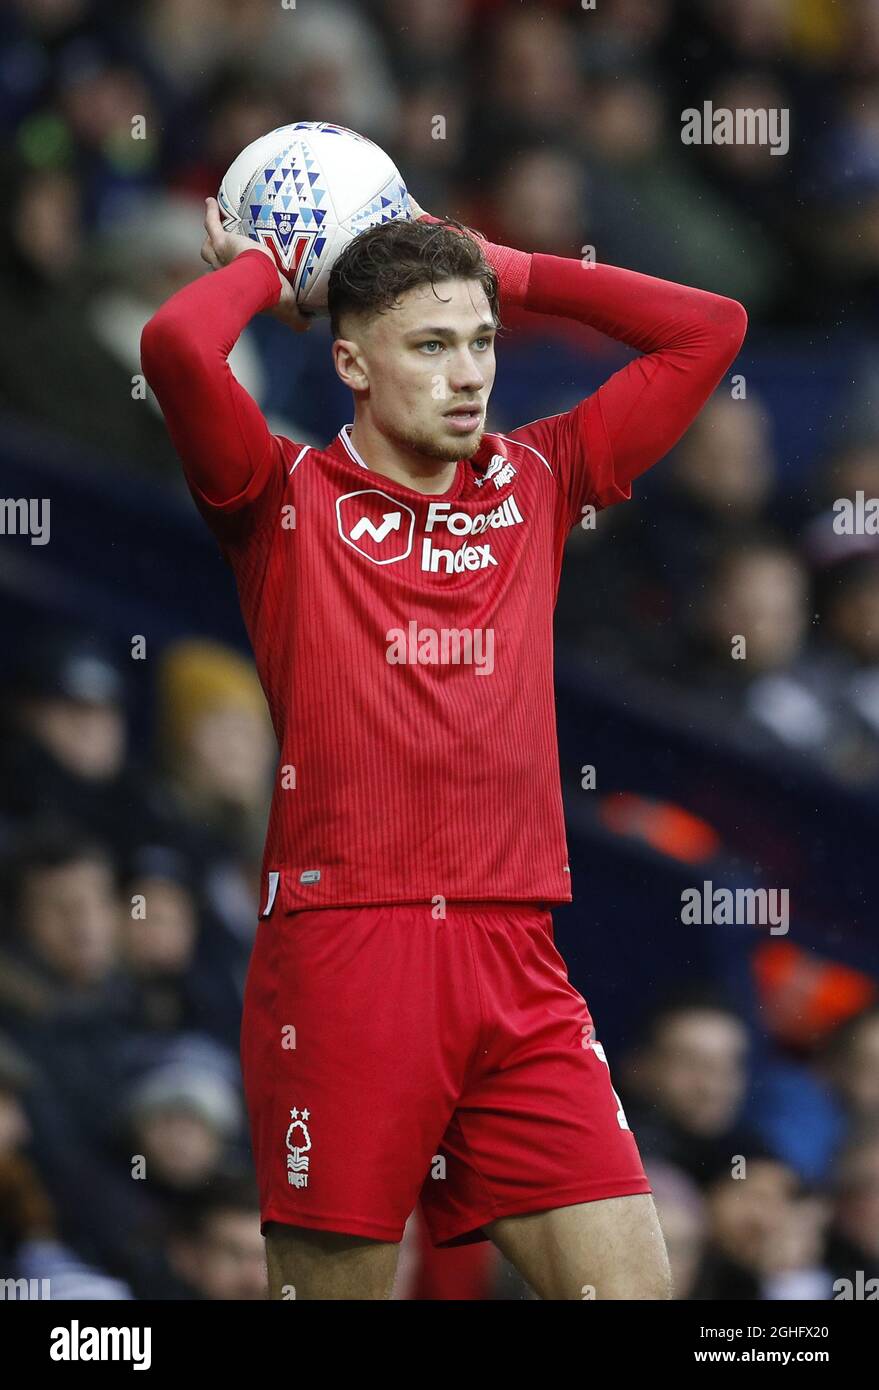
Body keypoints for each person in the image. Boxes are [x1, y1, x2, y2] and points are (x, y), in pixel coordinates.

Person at [141, 188, 746, 1299]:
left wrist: (507, 267)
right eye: (431, 345)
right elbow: (177, 341)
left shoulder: (543, 479)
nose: (470, 373)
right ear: (352, 365)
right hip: (347, 951)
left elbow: (711, 325)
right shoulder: (277, 498)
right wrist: (270, 276)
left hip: (517, 958)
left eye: (481, 343)